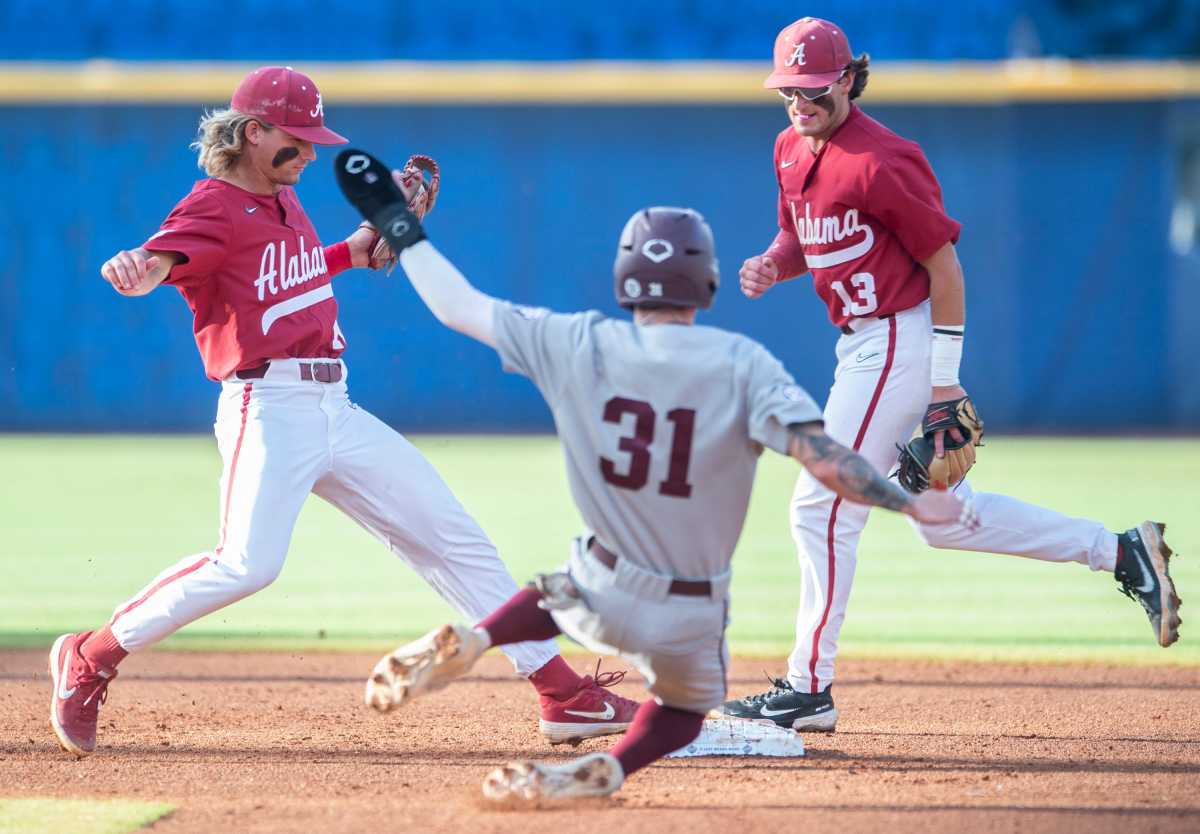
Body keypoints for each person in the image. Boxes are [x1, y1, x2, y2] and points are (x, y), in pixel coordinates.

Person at [334, 149, 974, 801]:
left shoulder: (577, 341)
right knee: (683, 712)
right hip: (691, 612)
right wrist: (909, 502)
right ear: (708, 283)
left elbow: (459, 306)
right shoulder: (742, 364)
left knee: (564, 588)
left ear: (623, 278)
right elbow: (825, 459)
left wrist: (395, 220)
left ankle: (478, 636)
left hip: (603, 586)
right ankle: (610, 770)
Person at [47, 66, 636, 759]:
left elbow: (285, 278)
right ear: (251, 132)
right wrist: (137, 267)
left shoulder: (283, 199)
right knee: (248, 564)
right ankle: (92, 653)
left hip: (336, 405)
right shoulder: (211, 206)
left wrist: (352, 252)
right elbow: (163, 259)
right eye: (295, 139)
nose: (309, 152)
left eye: (312, 139)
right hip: (267, 407)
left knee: (453, 538)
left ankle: (563, 692)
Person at [721, 17, 1183, 733]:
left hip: (900, 343)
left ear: (846, 79)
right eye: (788, 89)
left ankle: (809, 687)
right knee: (946, 519)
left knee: (821, 505)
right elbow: (797, 235)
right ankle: (1121, 552)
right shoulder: (789, 148)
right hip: (863, 346)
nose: (799, 102)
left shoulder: (883, 160)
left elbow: (944, 266)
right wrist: (774, 264)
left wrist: (944, 383)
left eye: (812, 89)